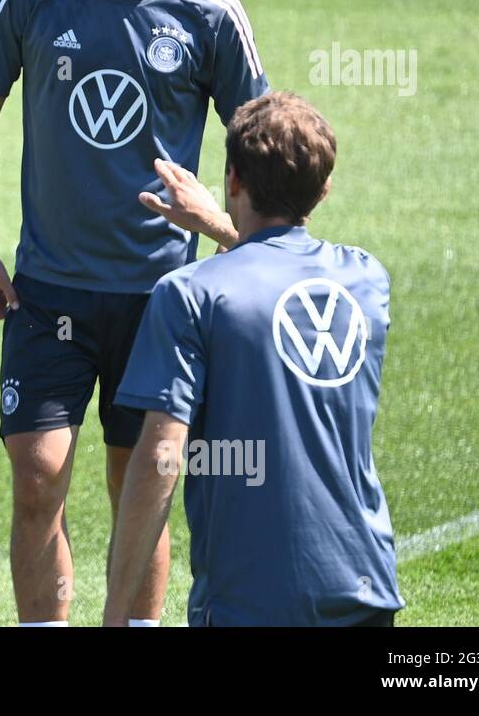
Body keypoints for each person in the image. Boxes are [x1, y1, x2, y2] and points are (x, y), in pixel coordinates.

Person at [0, 0, 269, 625]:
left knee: (139, 489)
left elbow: (264, 149)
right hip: (47, 284)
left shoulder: (209, 12)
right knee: (37, 475)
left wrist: (227, 231)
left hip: (161, 296)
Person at [104, 92, 405, 626]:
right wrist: (225, 228)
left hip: (250, 601)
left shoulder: (189, 293)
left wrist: (117, 609)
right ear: (324, 188)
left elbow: (160, 457)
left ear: (234, 179)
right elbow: (269, 275)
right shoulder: (366, 280)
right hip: (367, 588)